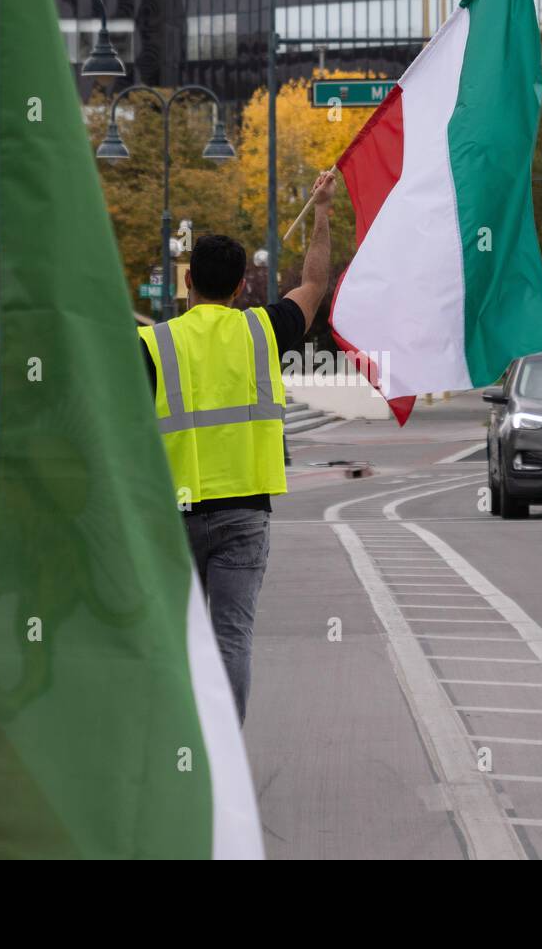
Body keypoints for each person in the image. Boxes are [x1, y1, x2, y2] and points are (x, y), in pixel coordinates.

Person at [138, 171, 337, 721]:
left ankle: (179, 757)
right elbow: (314, 286)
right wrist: (321, 211)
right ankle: (224, 760)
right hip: (245, 512)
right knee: (232, 639)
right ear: (240, 287)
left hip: (172, 515)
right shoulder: (262, 330)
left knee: (175, 642)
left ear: (187, 284)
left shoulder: (151, 342)